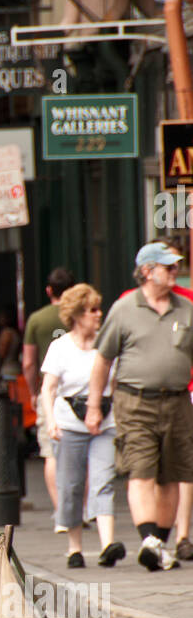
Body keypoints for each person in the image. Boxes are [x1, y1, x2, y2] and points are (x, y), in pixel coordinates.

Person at [87, 242, 193, 571]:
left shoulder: (185, 307)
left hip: (177, 400)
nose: (175, 272)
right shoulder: (125, 308)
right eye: (168, 267)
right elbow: (103, 360)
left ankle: (158, 544)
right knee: (142, 469)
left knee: (172, 474)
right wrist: (94, 405)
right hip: (135, 401)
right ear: (147, 271)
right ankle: (148, 538)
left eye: (177, 266)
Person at [40, 284, 123, 569]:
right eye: (92, 310)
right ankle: (74, 549)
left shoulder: (107, 344)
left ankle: (107, 545)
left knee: (103, 480)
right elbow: (48, 388)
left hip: (105, 421)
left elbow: (115, 384)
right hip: (69, 423)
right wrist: (50, 421)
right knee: (72, 486)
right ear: (76, 315)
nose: (99, 315)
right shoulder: (59, 347)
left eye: (99, 309)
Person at [22, 268, 75, 527]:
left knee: (51, 453)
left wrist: (33, 391)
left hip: (50, 390)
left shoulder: (37, 319)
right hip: (79, 391)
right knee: (82, 450)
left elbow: (29, 362)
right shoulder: (79, 317)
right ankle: (84, 509)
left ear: (48, 290)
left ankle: (61, 512)